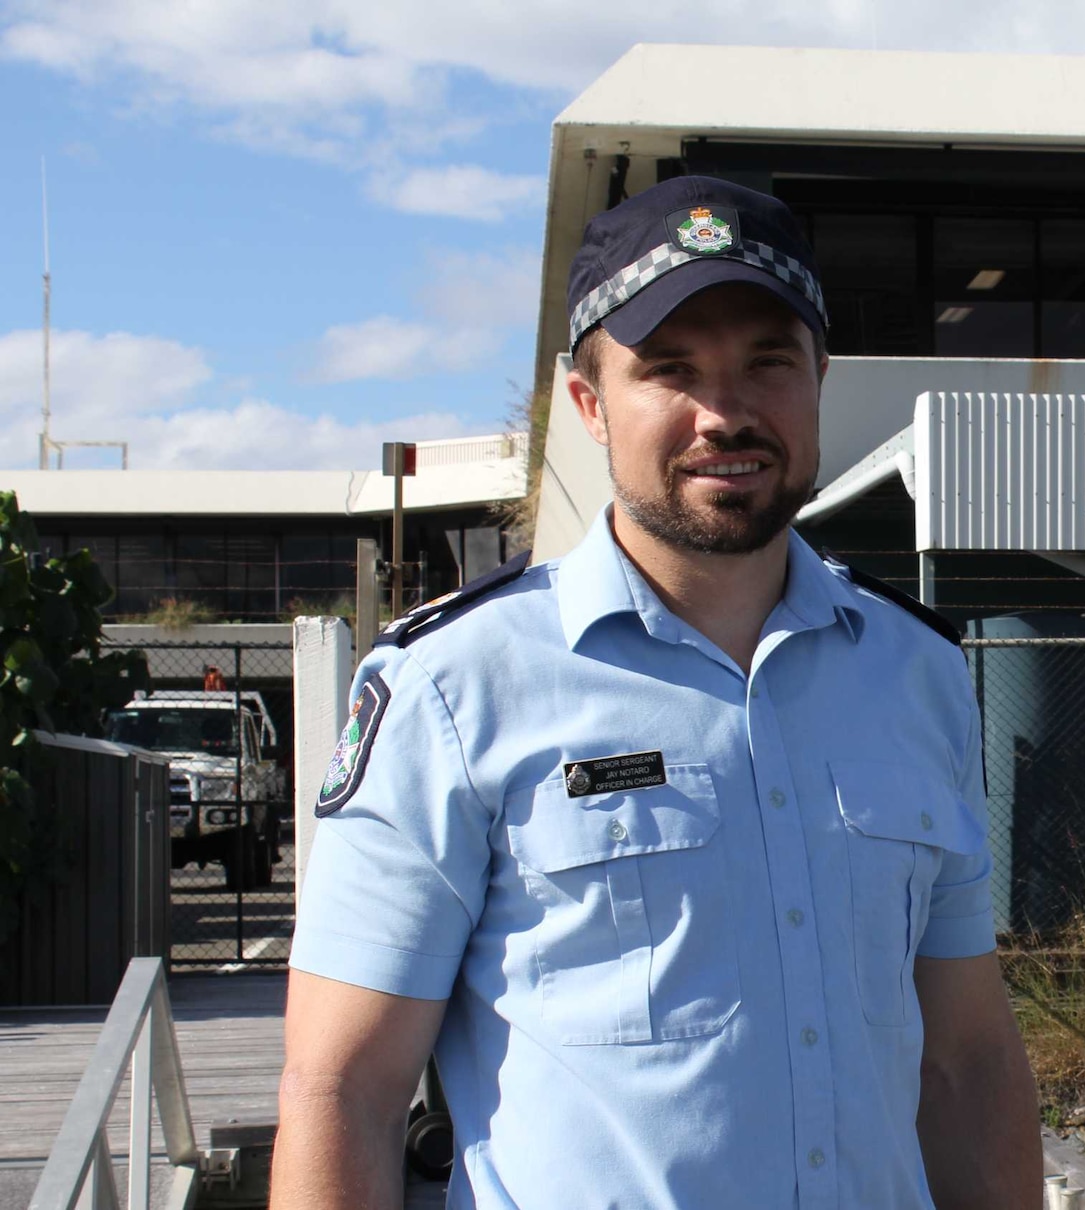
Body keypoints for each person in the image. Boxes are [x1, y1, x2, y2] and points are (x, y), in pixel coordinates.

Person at [274, 176, 1041, 1209]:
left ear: (820, 377)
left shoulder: (916, 676)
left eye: (767, 362)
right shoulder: (452, 688)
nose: (723, 414)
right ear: (589, 404)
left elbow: (965, 1059)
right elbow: (344, 1089)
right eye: (669, 370)